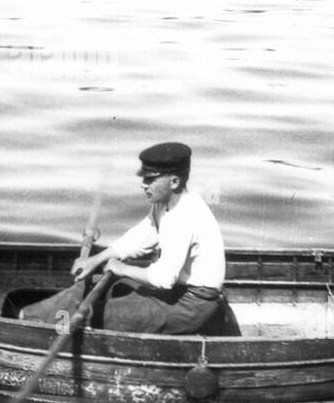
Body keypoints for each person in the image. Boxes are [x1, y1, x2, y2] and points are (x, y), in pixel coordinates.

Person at [21, 142, 226, 335]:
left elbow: (163, 278)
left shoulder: (186, 215)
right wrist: (96, 259)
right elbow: (141, 237)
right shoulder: (163, 203)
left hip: (191, 304)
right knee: (86, 283)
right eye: (143, 179)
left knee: (95, 315)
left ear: (174, 182)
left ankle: (41, 335)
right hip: (173, 291)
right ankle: (28, 319)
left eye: (150, 179)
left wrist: (122, 269)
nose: (143, 185)